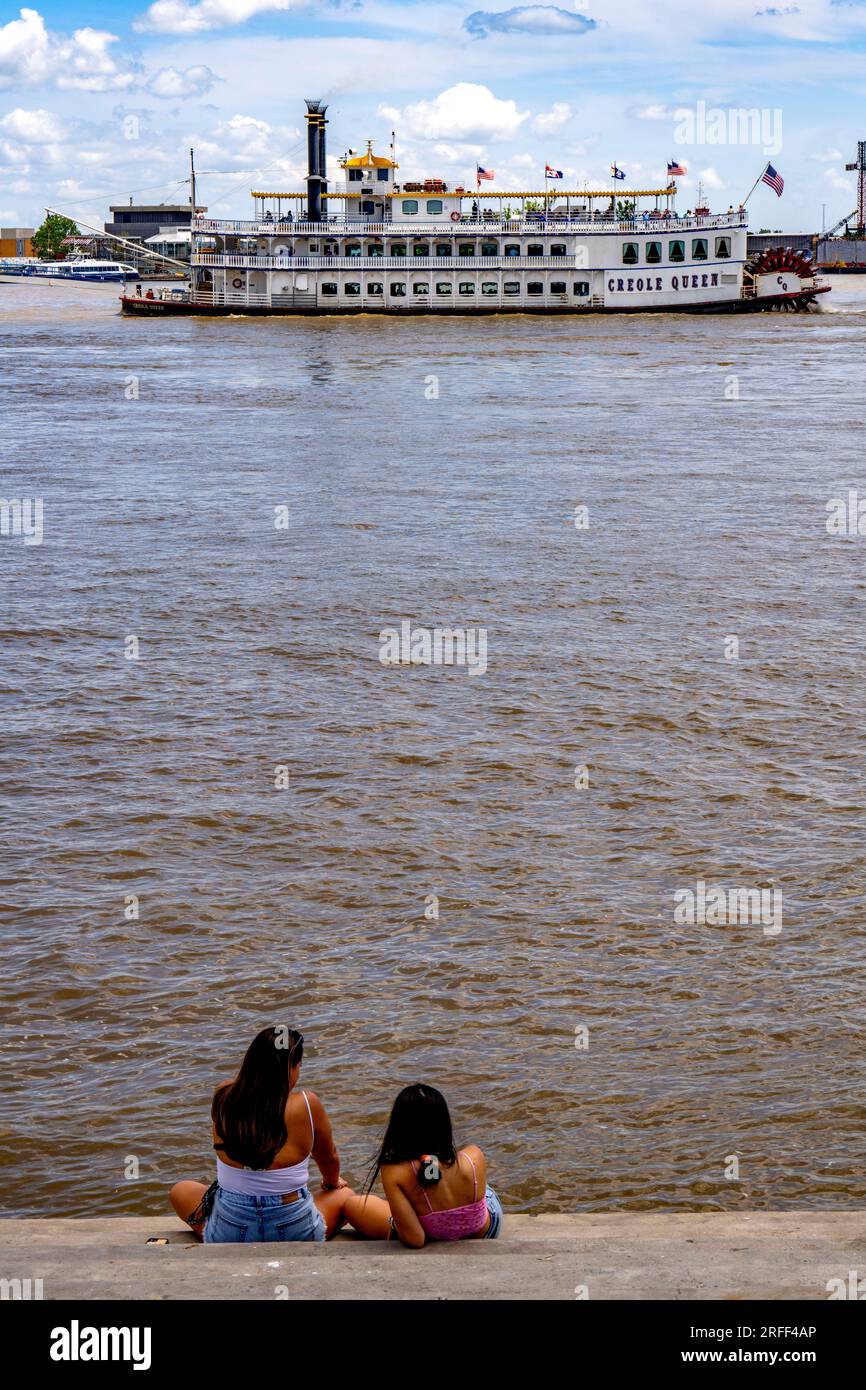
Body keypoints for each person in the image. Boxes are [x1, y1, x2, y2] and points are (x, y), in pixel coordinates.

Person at [170, 1026, 389, 1242]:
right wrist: (332, 1182)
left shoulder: (224, 1096)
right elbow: (329, 1157)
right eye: (299, 1065)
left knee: (181, 1190)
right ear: (291, 1068)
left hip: (232, 1230)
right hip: (295, 1230)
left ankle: (217, 1236)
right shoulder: (307, 1104)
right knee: (345, 1195)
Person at [368, 1083, 503, 1247]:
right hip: (486, 1232)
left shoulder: (394, 1171)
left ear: (399, 1127)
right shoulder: (474, 1156)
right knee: (476, 1187)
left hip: (435, 1234)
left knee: (352, 1205)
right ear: (444, 1123)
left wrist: (395, 1223)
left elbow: (415, 1239)